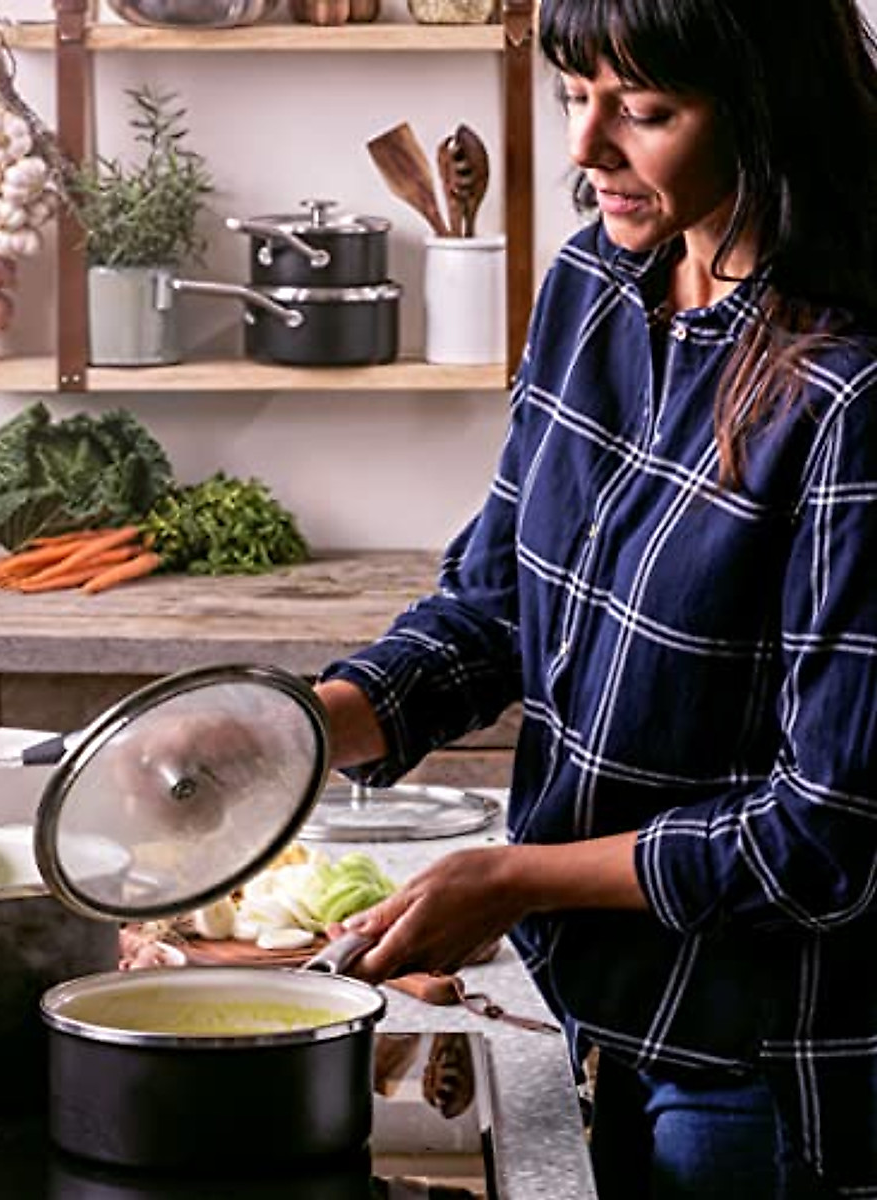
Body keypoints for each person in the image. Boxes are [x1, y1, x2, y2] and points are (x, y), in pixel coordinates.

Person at [312, 1, 877, 1196]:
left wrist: (514, 879)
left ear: (770, 111)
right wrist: (301, 727)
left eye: (648, 111)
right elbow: (503, 604)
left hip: (760, 1068)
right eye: (576, 94)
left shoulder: (851, 388)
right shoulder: (590, 286)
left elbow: (824, 837)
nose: (585, 148)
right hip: (598, 1016)